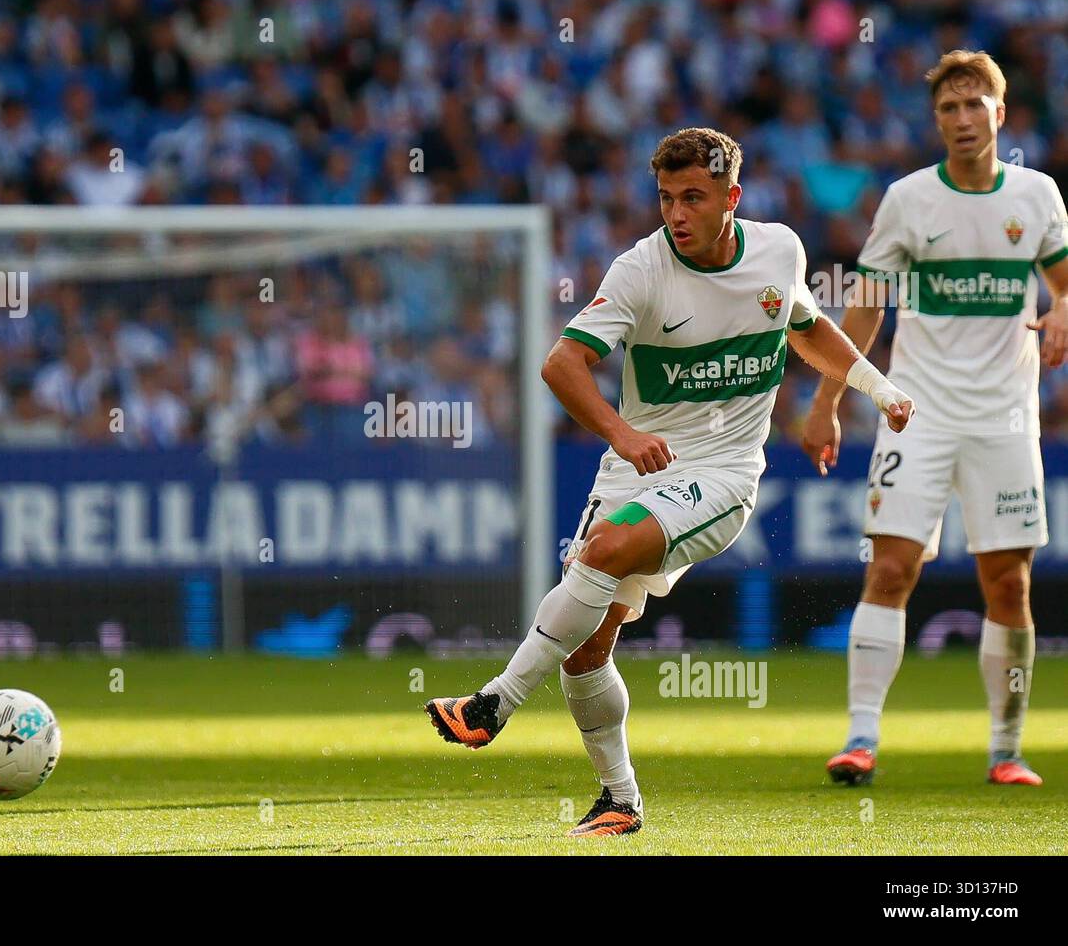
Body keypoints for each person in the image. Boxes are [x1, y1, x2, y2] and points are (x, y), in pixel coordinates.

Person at [425, 127, 915, 837]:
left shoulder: (778, 250)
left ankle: (492, 704)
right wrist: (623, 435)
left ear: (732, 199)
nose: (676, 213)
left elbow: (806, 328)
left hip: (722, 475)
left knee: (600, 555)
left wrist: (874, 387)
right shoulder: (640, 269)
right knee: (587, 647)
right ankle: (620, 800)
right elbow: (561, 364)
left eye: (693, 197)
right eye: (665, 197)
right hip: (635, 464)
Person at [803, 51, 1068, 788]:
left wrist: (1062, 309)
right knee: (891, 569)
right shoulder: (909, 200)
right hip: (914, 411)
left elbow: (1065, 282)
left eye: (973, 105)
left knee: (1008, 587)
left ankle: (1006, 751)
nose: (961, 119)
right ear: (937, 120)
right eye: (948, 108)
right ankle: (860, 740)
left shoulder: (1038, 196)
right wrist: (827, 402)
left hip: (1006, 420)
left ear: (1000, 113)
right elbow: (865, 308)